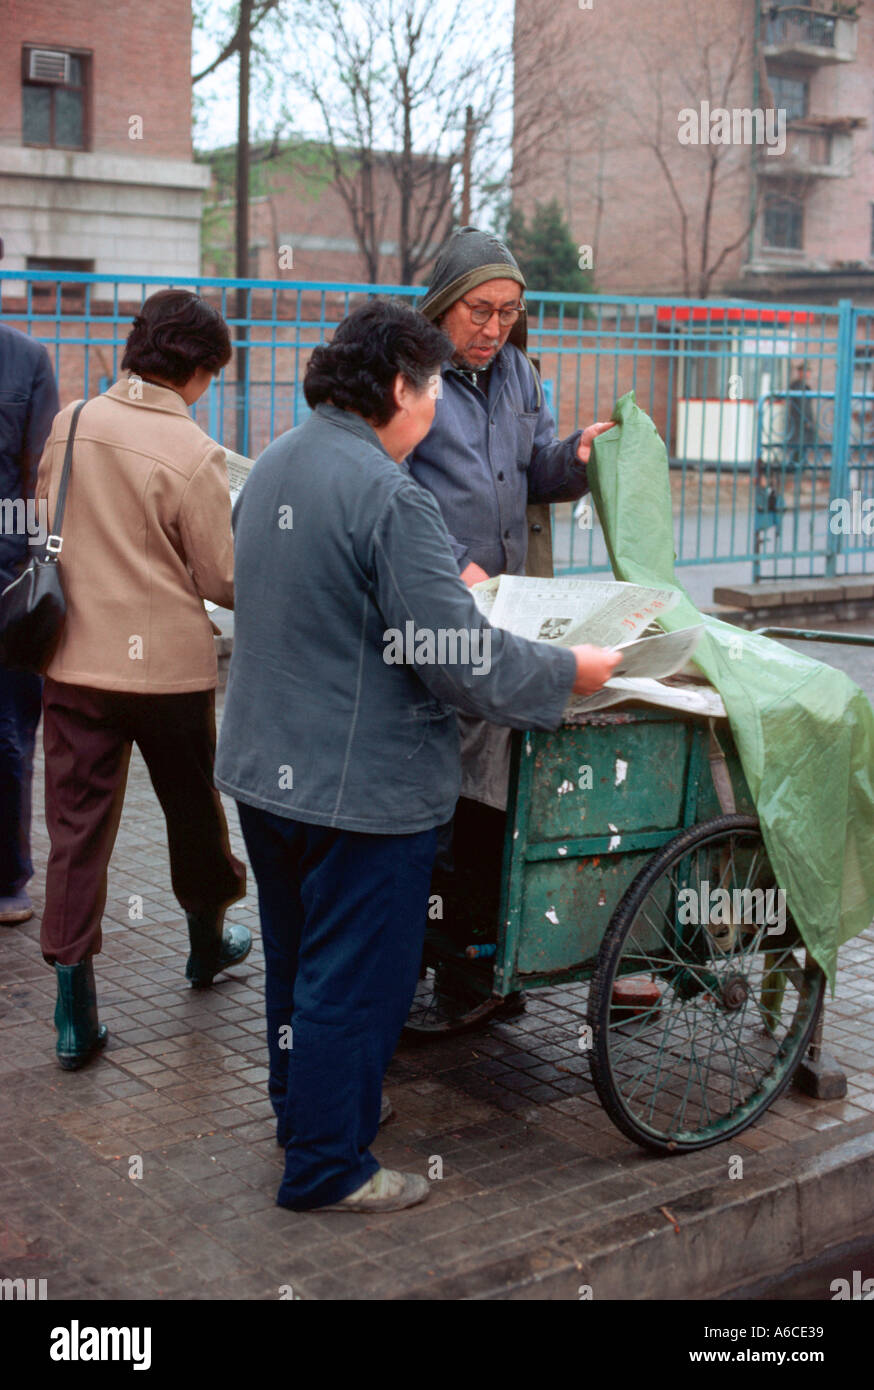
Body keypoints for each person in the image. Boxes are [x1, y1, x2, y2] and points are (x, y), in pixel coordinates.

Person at [214, 300, 619, 1214]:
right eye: (432, 385)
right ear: (399, 386)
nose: (438, 404)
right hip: (359, 790)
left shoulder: (278, 461)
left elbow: (331, 599)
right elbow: (457, 661)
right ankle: (329, 1166)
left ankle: (308, 1111)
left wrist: (446, 581)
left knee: (298, 964)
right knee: (355, 982)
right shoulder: (390, 493)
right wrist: (571, 672)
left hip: (267, 773)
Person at [34, 289, 251, 1071]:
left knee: (76, 829)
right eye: (209, 377)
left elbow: (42, 521)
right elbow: (222, 580)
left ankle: (73, 1012)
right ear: (194, 371)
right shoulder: (196, 455)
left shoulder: (72, 422)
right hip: (166, 674)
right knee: (193, 811)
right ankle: (206, 946)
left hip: (75, 663)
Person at [407, 225, 614, 978]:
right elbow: (393, 486)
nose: (494, 328)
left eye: (508, 312)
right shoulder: (412, 376)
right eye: (479, 311)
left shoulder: (521, 375)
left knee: (490, 779)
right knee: (439, 781)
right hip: (434, 609)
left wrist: (578, 458)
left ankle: (472, 952)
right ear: (443, 305)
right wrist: (443, 566)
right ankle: (424, 952)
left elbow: (534, 469)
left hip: (506, 613)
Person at [0, 320, 59, 925]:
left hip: (4, 579)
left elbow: (40, 475)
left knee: (9, 736)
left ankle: (7, 875)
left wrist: (35, 566)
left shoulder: (25, 361)